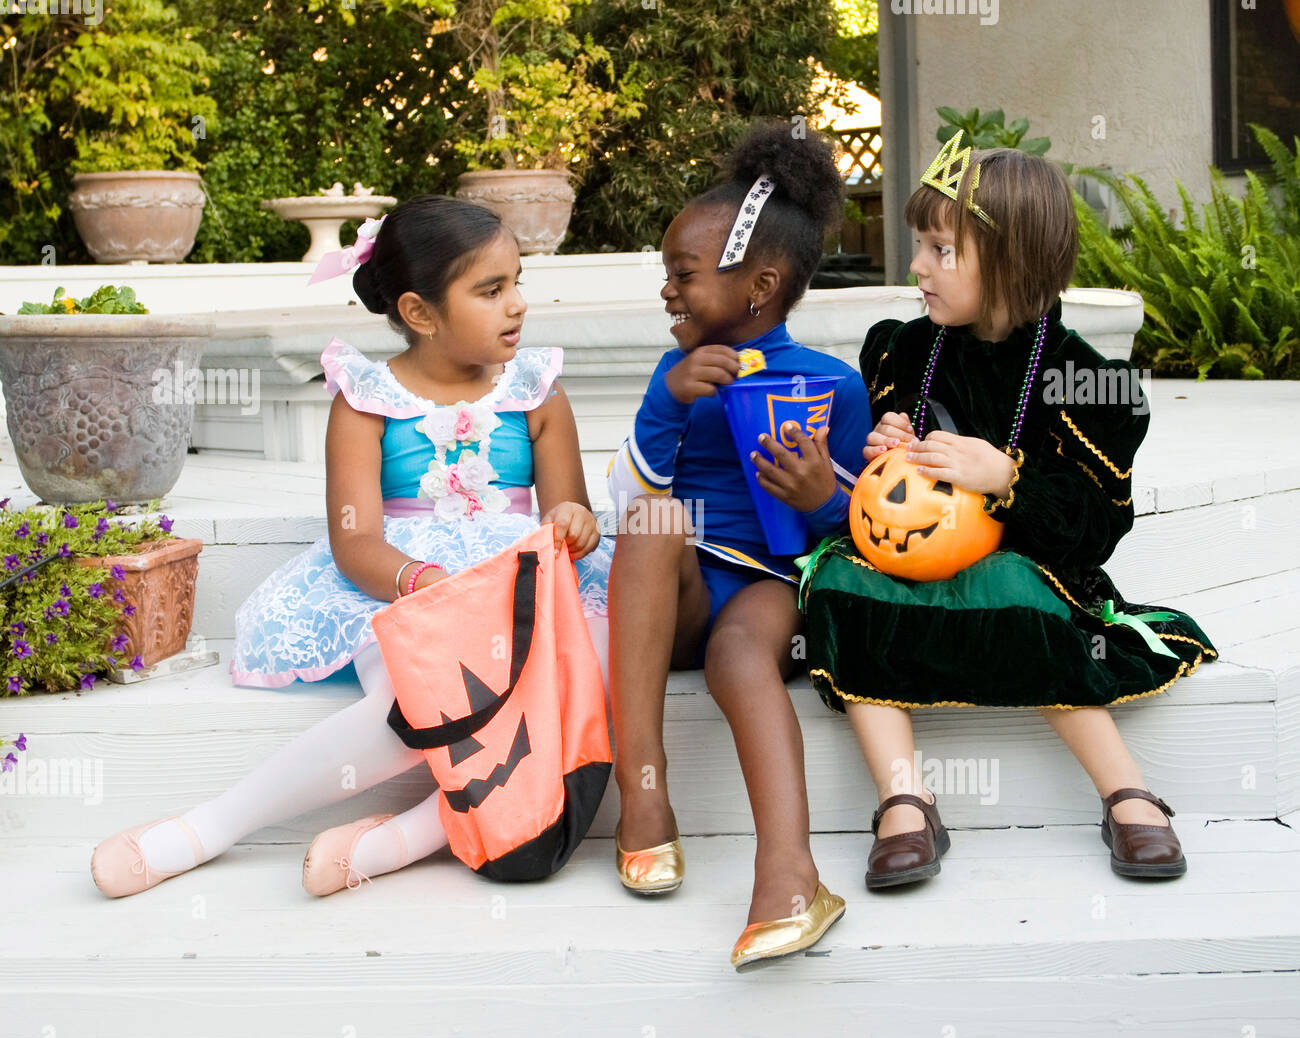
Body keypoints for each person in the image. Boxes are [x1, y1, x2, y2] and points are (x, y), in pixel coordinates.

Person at [90, 195, 612, 898]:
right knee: (417, 704)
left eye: (517, 282)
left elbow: (567, 512)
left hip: (518, 584)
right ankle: (210, 825)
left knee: (592, 665)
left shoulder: (538, 391)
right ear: (420, 312)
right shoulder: (367, 396)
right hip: (403, 580)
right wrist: (423, 582)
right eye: (491, 290)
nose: (516, 304)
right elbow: (354, 537)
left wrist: (577, 521)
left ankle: (404, 837)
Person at [801, 133, 1217, 890]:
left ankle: (1126, 788)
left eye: (940, 248)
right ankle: (904, 797)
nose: (918, 266)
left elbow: (1095, 529)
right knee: (836, 584)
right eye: (918, 244)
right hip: (911, 559)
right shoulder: (903, 351)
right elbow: (882, 481)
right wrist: (886, 444)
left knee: (1015, 591)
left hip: (1023, 566)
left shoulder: (1087, 382)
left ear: (1011, 259)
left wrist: (1005, 477)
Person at [606, 122, 871, 969]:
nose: (668, 293)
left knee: (739, 652)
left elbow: (864, 524)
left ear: (760, 284)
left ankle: (789, 876)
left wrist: (822, 494)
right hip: (674, 587)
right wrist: (669, 403)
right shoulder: (674, 372)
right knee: (651, 523)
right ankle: (642, 797)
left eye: (683, 275)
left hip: (766, 585)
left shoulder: (834, 384)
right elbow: (633, 490)